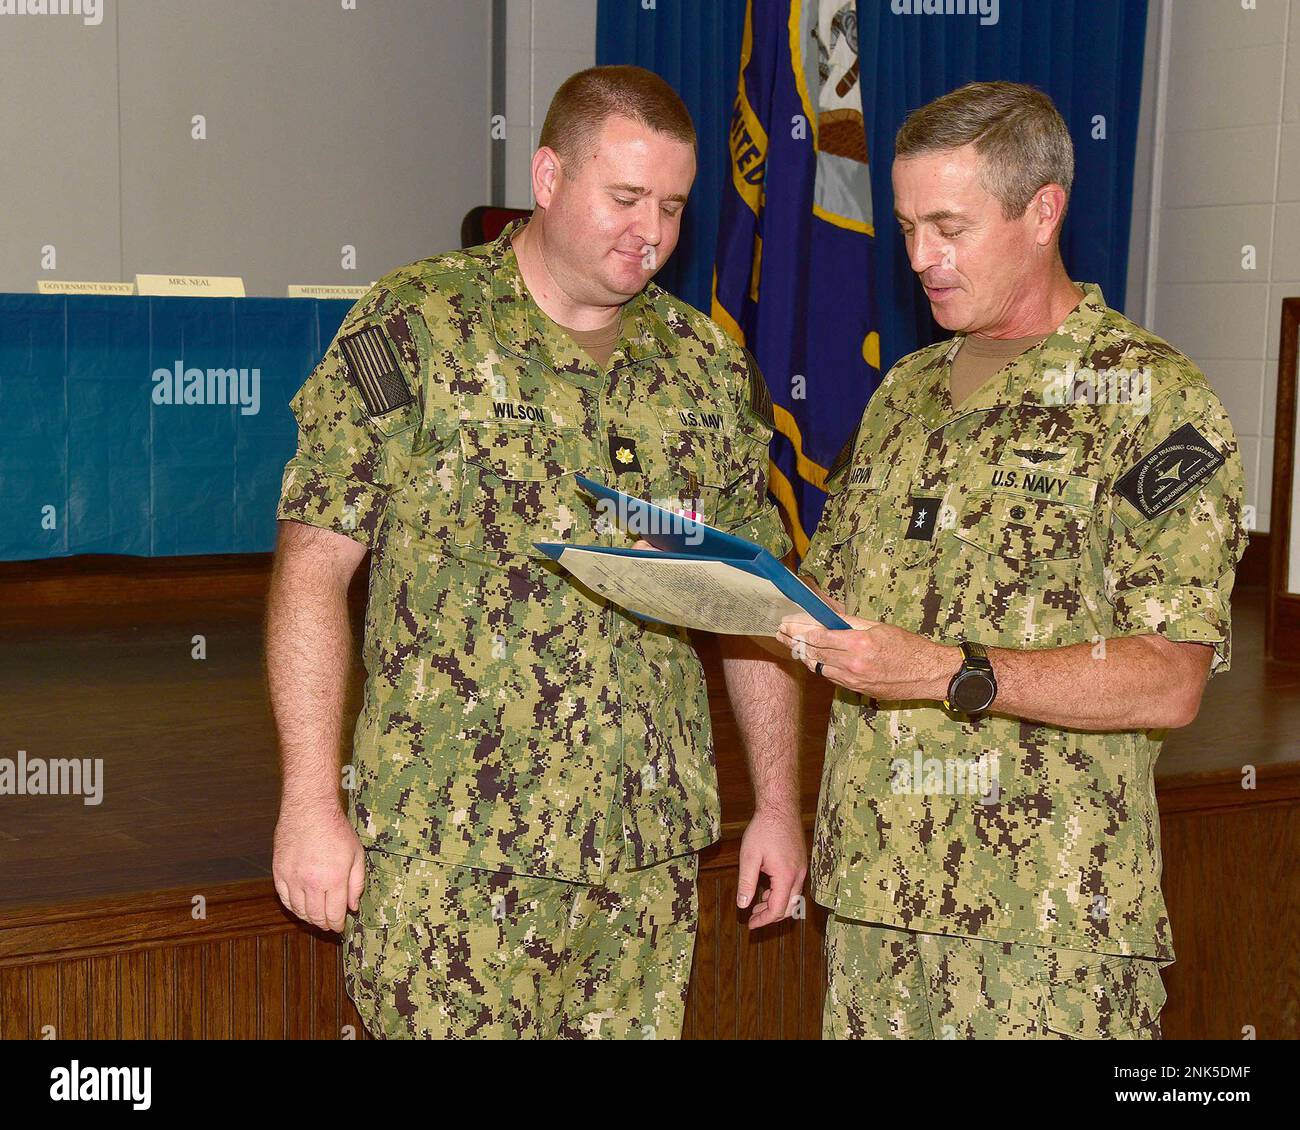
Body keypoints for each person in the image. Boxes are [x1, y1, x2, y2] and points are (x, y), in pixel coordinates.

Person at [265, 64, 805, 1040]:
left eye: (674, 207)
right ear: (550, 177)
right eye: (626, 197)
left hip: (639, 862)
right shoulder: (417, 324)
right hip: (451, 860)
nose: (651, 232)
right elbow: (312, 570)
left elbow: (752, 601)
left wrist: (777, 800)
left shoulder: (705, 366)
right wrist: (308, 801)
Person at [778, 81, 1249, 1039]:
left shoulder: (1154, 403)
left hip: (1045, 934)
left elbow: (1169, 680)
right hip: (874, 913)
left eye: (949, 226)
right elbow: (831, 594)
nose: (919, 259)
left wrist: (953, 673)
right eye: (907, 226)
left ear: (1043, 211)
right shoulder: (903, 394)